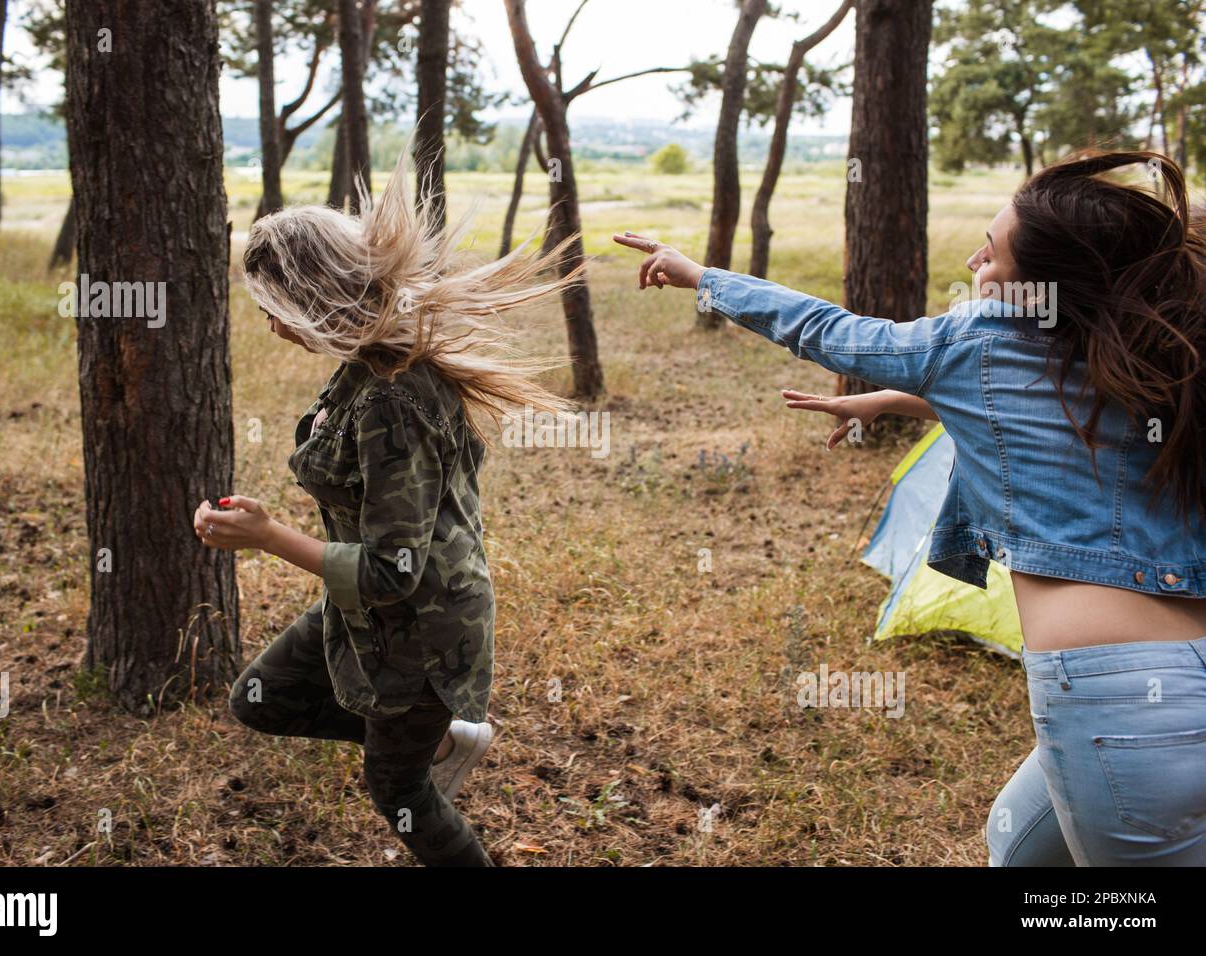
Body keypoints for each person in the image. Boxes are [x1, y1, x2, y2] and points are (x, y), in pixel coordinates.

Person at [613, 149, 1206, 866]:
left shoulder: (972, 340)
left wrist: (700, 276)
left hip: (1114, 705)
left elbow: (829, 332)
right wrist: (901, 398)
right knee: (1017, 845)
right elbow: (1040, 411)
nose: (970, 262)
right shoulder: (1149, 351)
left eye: (989, 256)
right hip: (1179, 682)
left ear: (1040, 285)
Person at [194, 143, 580, 866]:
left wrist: (267, 534)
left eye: (275, 308)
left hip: (422, 626)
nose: (271, 325)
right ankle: (437, 738)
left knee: (398, 792)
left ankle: (423, 747)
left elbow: (392, 571)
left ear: (314, 296)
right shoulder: (363, 366)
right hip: (363, 611)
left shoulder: (394, 396)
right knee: (258, 699)